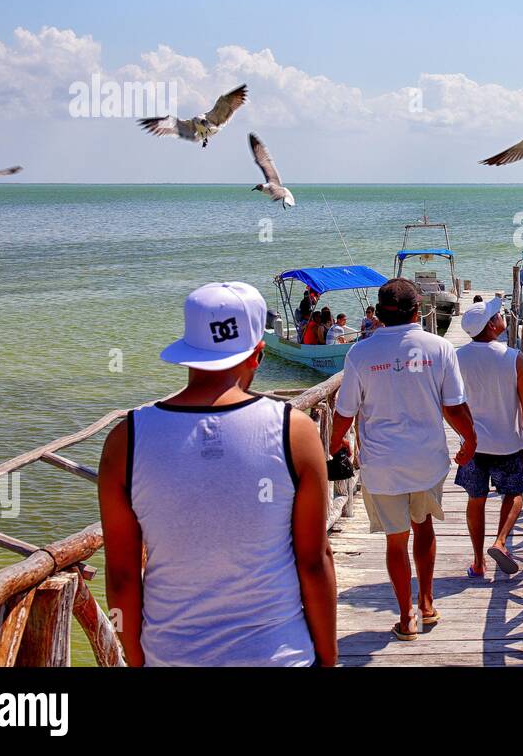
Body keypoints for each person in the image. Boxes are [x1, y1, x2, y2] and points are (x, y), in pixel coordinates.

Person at [97, 281, 337, 666]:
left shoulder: (126, 440)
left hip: (172, 656)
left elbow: (123, 577)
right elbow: (313, 560)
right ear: (257, 355)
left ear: (188, 353)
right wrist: (327, 657)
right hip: (279, 654)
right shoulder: (294, 430)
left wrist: (136, 659)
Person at [328, 278, 478, 641]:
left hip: (381, 464)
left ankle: (406, 615)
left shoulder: (359, 354)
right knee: (423, 526)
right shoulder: (440, 348)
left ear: (378, 314)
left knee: (396, 540)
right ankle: (427, 604)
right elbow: (454, 406)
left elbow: (345, 413)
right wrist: (470, 439)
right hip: (427, 459)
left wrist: (336, 446)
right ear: (417, 310)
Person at [453, 296, 523, 577]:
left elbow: (450, 403)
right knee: (513, 494)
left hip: (473, 443)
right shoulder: (515, 358)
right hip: (508, 443)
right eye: (498, 315)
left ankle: (478, 562)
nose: (502, 316)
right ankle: (500, 542)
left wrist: (462, 438)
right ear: (491, 326)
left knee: (476, 499)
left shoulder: (457, 358)